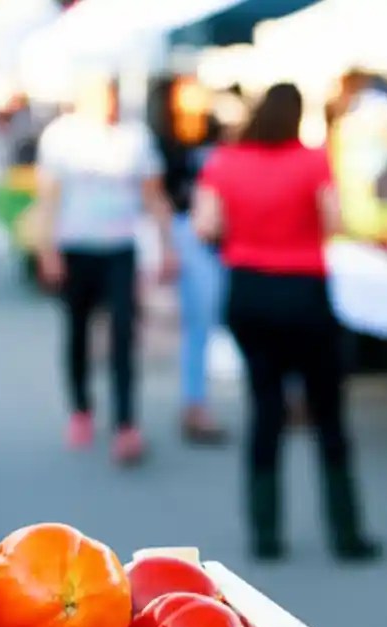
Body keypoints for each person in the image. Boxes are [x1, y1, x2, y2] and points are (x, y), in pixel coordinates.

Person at [192, 83, 382, 561]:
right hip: (304, 294)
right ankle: (346, 532)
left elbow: (205, 226)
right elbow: (333, 221)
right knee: (328, 413)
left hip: (250, 292)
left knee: (265, 410)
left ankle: (265, 532)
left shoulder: (225, 162)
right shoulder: (313, 160)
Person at [33, 78, 176, 466]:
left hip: (120, 248)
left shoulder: (134, 138)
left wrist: (166, 246)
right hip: (76, 247)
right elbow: (47, 198)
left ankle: (126, 422)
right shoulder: (60, 138)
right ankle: (81, 407)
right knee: (77, 330)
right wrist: (47, 249)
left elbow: (153, 194)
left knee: (124, 333)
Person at [161, 91, 230, 445]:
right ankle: (194, 403)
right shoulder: (170, 144)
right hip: (195, 235)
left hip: (228, 238)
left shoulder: (224, 140)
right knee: (199, 322)